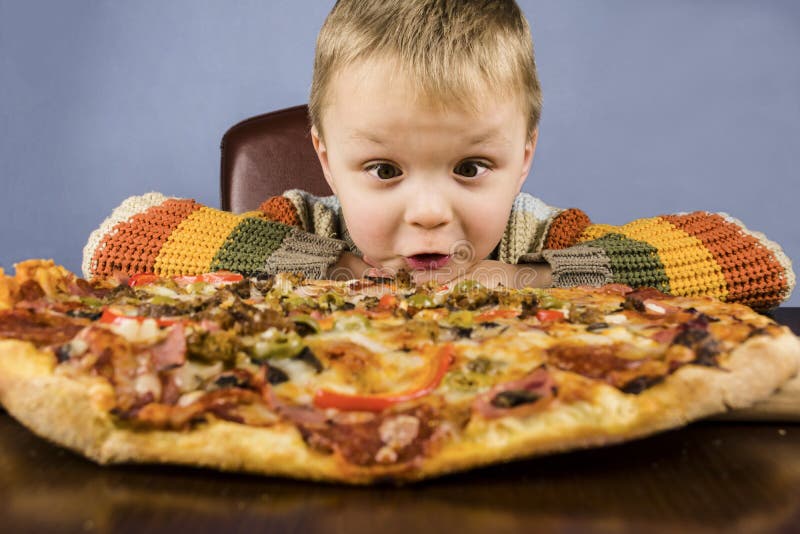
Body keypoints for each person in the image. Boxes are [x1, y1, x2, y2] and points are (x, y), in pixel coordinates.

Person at [82, 0, 794, 310]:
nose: (427, 213)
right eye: (384, 170)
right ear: (327, 163)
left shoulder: (545, 243)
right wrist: (338, 269)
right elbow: (118, 244)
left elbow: (757, 262)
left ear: (524, 157)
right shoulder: (298, 229)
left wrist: (518, 281)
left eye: (470, 168)